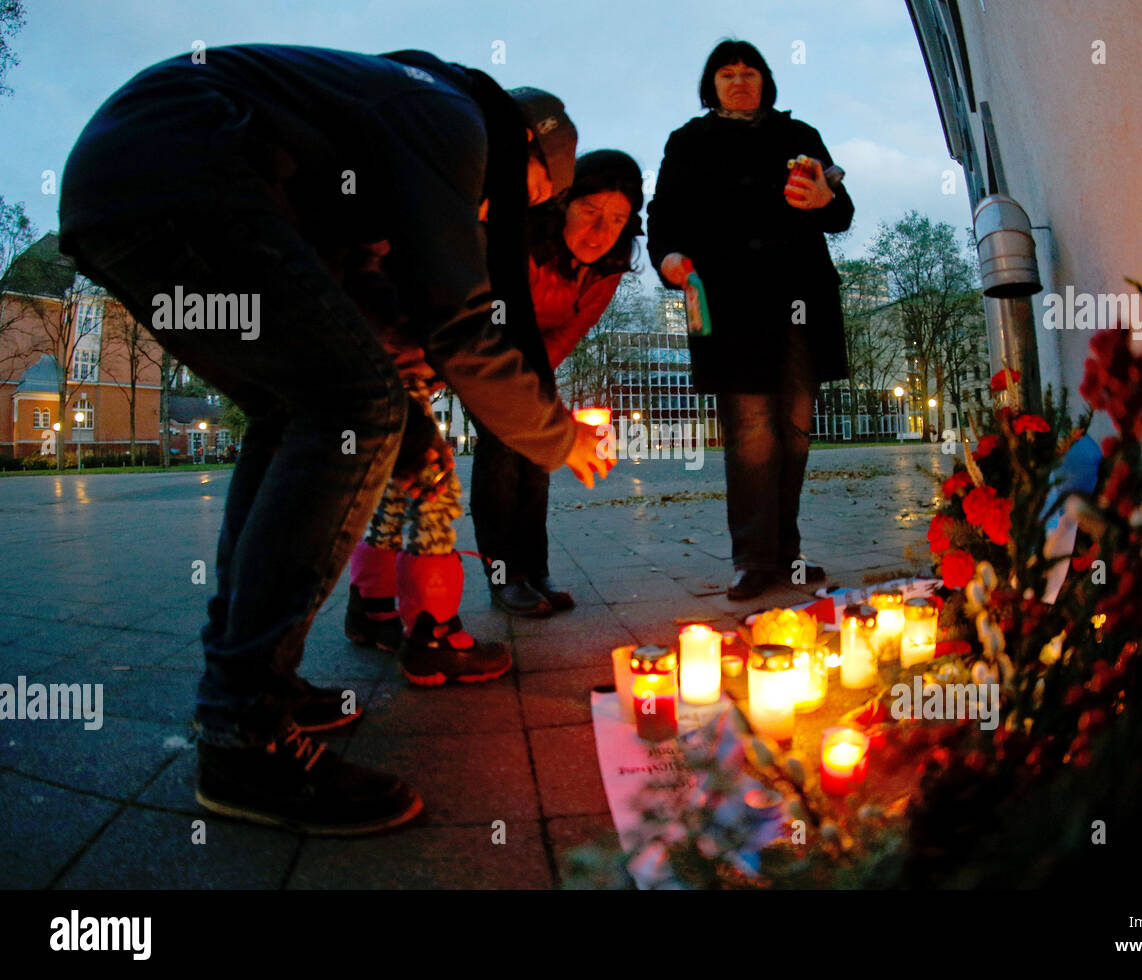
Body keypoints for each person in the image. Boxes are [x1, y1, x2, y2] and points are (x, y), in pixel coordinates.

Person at [57, 44, 612, 836]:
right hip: (185, 175)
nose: (495, 216)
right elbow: (459, 320)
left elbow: (355, 307)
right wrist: (554, 437)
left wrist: (406, 391)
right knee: (353, 407)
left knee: (300, 407)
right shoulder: (453, 120)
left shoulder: (379, 121)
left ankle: (249, 688)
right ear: (528, 144)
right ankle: (244, 729)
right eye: (525, 196)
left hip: (126, 191)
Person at [346, 151, 641, 658]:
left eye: (617, 219)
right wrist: (513, 395)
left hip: (513, 362)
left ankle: (531, 569)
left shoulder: (607, 269)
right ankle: (481, 591)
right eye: (590, 211)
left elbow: (571, 330)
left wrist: (537, 395)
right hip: (475, 355)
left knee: (532, 460)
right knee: (490, 457)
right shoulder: (514, 240)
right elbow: (480, 323)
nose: (601, 231)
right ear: (563, 202)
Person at [647, 40, 853, 601]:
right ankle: (752, 559)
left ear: (765, 81)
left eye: (750, 71)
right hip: (733, 307)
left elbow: (842, 209)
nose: (739, 80)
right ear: (711, 84)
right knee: (752, 434)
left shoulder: (799, 136)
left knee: (795, 432)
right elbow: (662, 215)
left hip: (801, 302)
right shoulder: (689, 142)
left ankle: (787, 556)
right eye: (727, 72)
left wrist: (822, 202)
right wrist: (667, 258)